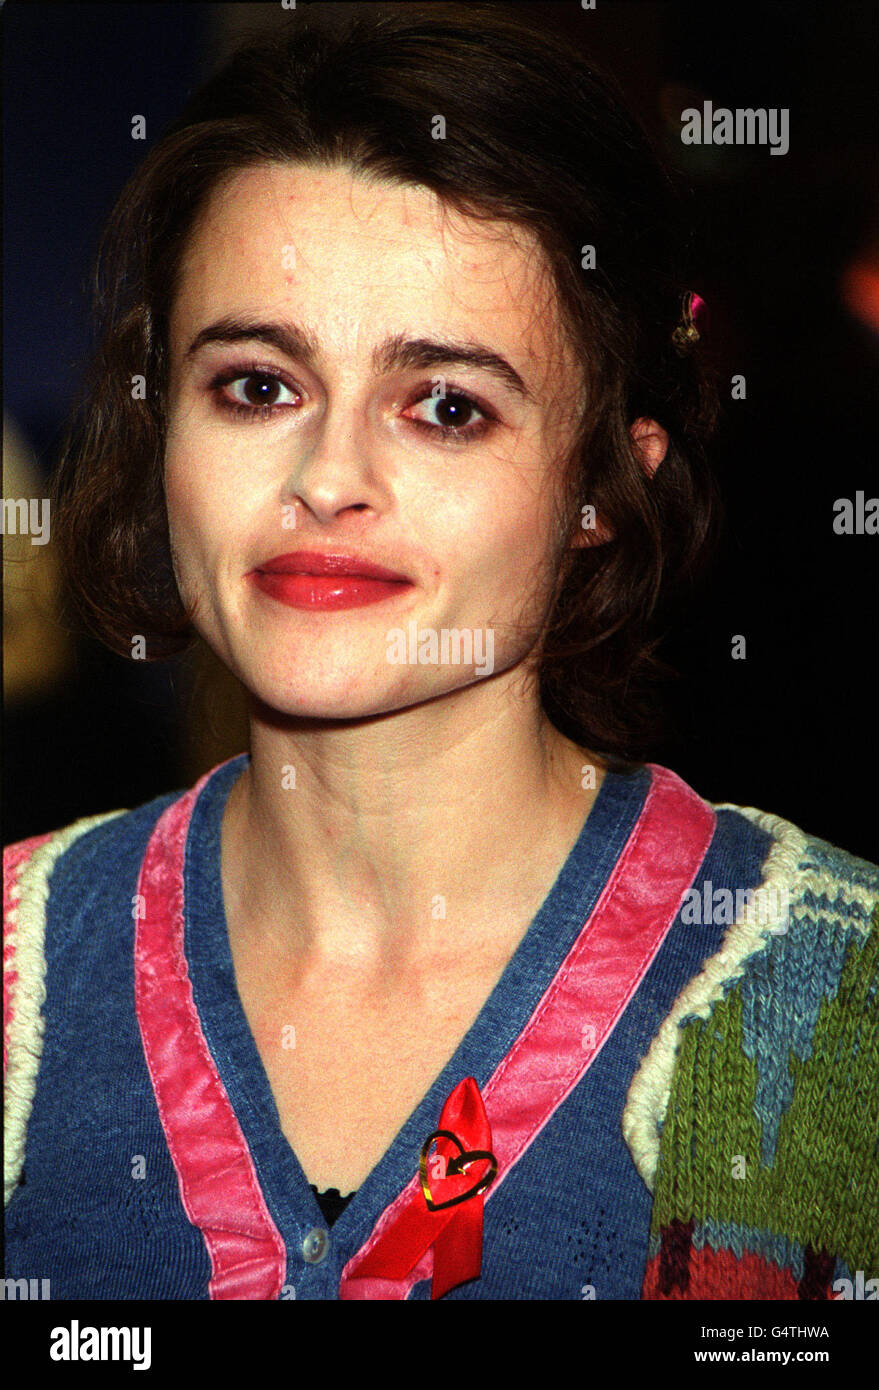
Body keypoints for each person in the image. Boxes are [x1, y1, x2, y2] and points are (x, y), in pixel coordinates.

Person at [4, 2, 877, 1302]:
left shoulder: (839, 992)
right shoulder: (17, 970)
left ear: (604, 484)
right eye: (257, 383)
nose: (329, 477)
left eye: (447, 405)